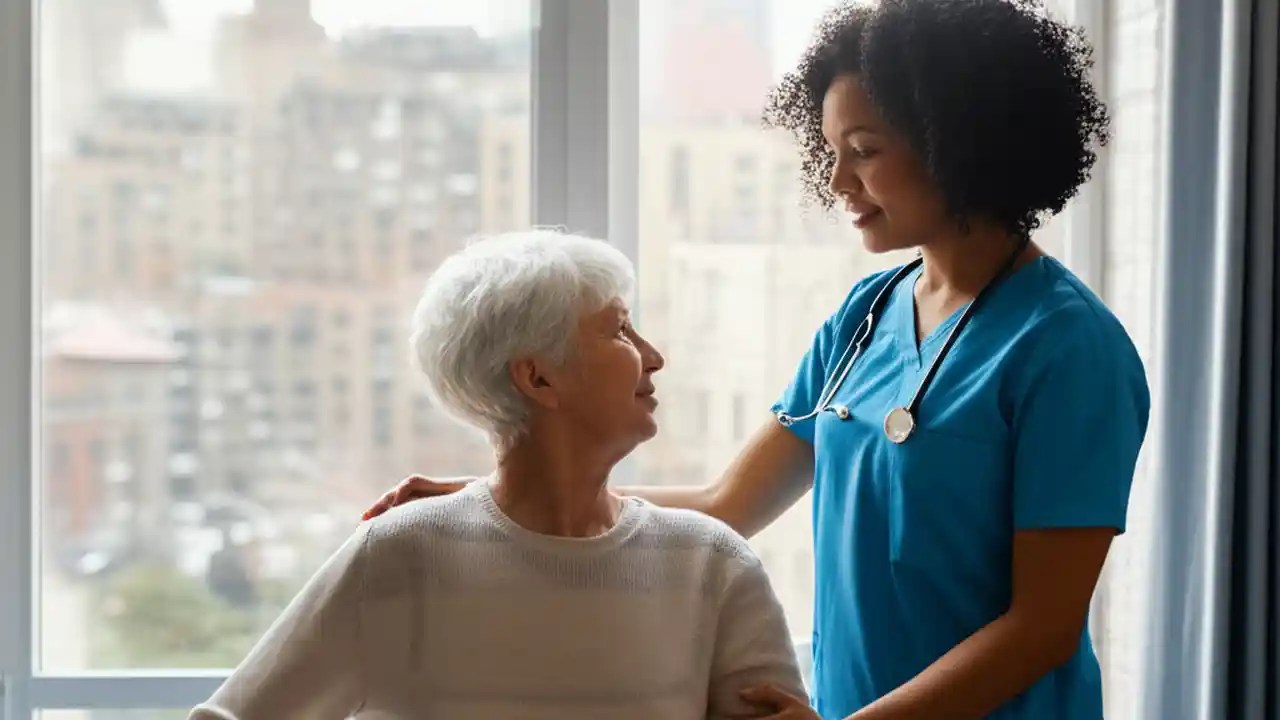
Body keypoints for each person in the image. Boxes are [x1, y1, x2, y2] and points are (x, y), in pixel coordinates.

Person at [362, 1, 1150, 718]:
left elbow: (1041, 628)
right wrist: (492, 498)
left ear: (963, 144)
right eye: (832, 149)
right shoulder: (863, 317)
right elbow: (726, 503)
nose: (838, 180)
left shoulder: (1069, 350)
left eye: (866, 150)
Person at [190, 230, 805, 719]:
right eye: (619, 328)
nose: (652, 356)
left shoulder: (712, 565)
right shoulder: (400, 556)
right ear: (537, 378)